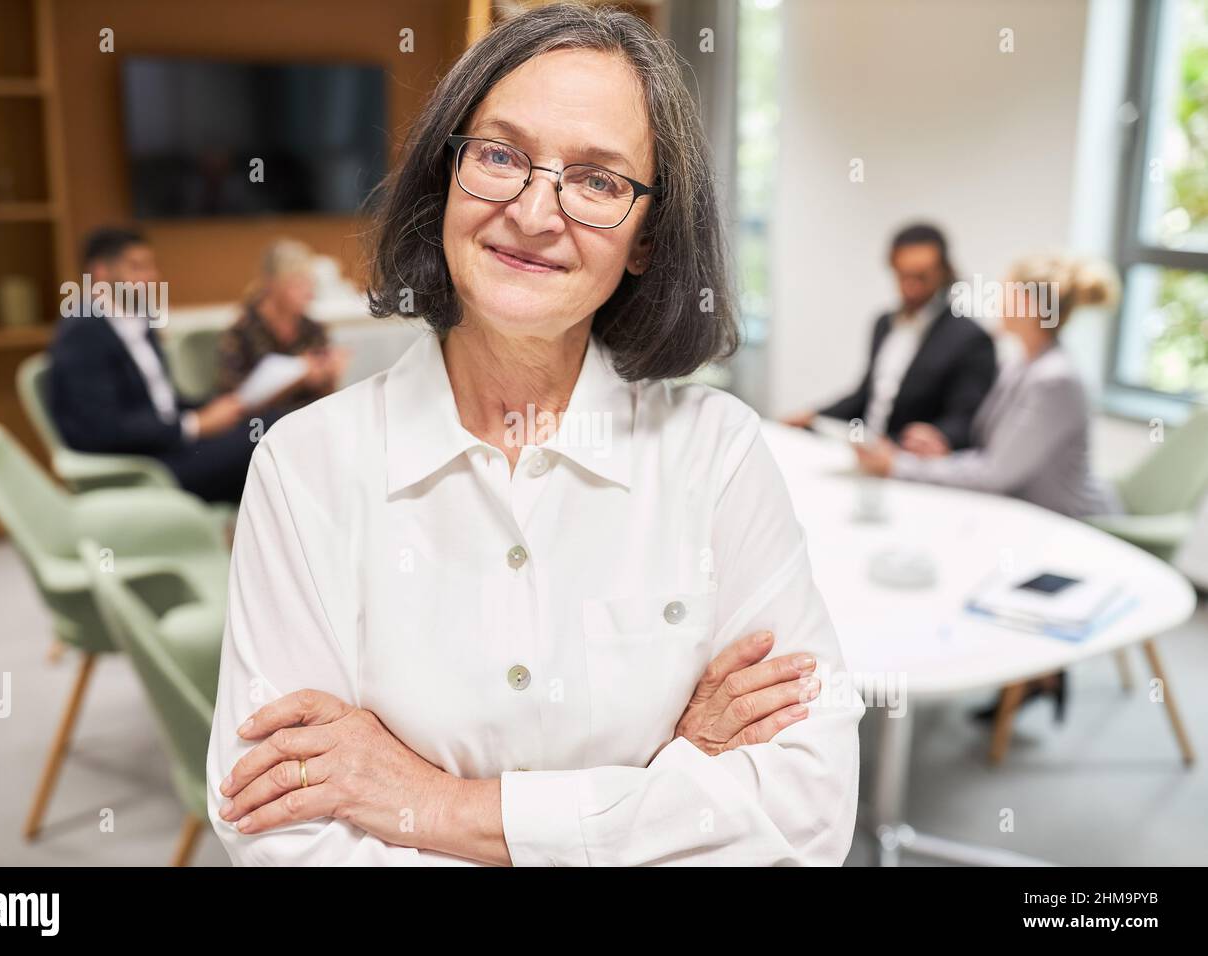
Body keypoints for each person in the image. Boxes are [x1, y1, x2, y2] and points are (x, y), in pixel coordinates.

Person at [206, 2, 863, 866]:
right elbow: (282, 833)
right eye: (501, 155)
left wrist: (433, 804)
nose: (533, 211)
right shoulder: (307, 468)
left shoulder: (717, 454)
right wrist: (671, 774)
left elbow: (805, 813)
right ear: (448, 176)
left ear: (645, 240)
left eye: (597, 180)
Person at [855, 252, 1123, 723]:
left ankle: (1021, 670)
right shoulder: (1024, 364)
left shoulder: (1054, 380)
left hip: (1067, 524)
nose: (999, 300)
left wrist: (898, 466)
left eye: (1008, 292)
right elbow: (990, 449)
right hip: (1023, 508)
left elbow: (997, 474)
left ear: (1030, 305)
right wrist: (939, 449)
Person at [48, 227, 278, 504]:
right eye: (137, 267)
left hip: (169, 444)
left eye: (151, 266)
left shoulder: (138, 321)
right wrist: (194, 425)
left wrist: (213, 408)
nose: (152, 276)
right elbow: (103, 428)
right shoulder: (83, 332)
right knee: (267, 438)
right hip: (144, 466)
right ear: (100, 273)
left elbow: (163, 403)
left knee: (269, 422)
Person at [782, 224, 997, 454]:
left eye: (921, 277)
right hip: (867, 456)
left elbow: (967, 420)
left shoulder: (970, 338)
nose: (911, 286)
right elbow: (867, 395)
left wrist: (939, 437)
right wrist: (814, 417)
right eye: (903, 276)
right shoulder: (884, 324)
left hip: (913, 466)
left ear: (944, 271)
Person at [216, 238, 350, 416]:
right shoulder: (242, 331)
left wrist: (328, 376)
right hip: (257, 428)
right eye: (299, 284)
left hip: (305, 420)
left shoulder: (313, 329)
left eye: (311, 284)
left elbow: (324, 400)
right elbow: (233, 404)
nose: (309, 293)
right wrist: (297, 380)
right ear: (274, 285)